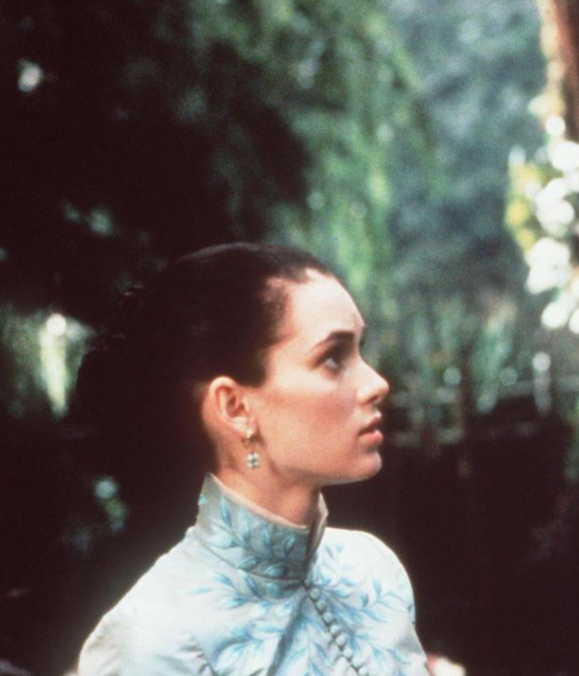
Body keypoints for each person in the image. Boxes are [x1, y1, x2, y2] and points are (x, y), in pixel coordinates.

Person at [74, 243, 428, 675]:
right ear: (235, 407)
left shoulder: (372, 569)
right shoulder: (154, 641)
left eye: (360, 349)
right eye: (333, 357)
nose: (377, 383)